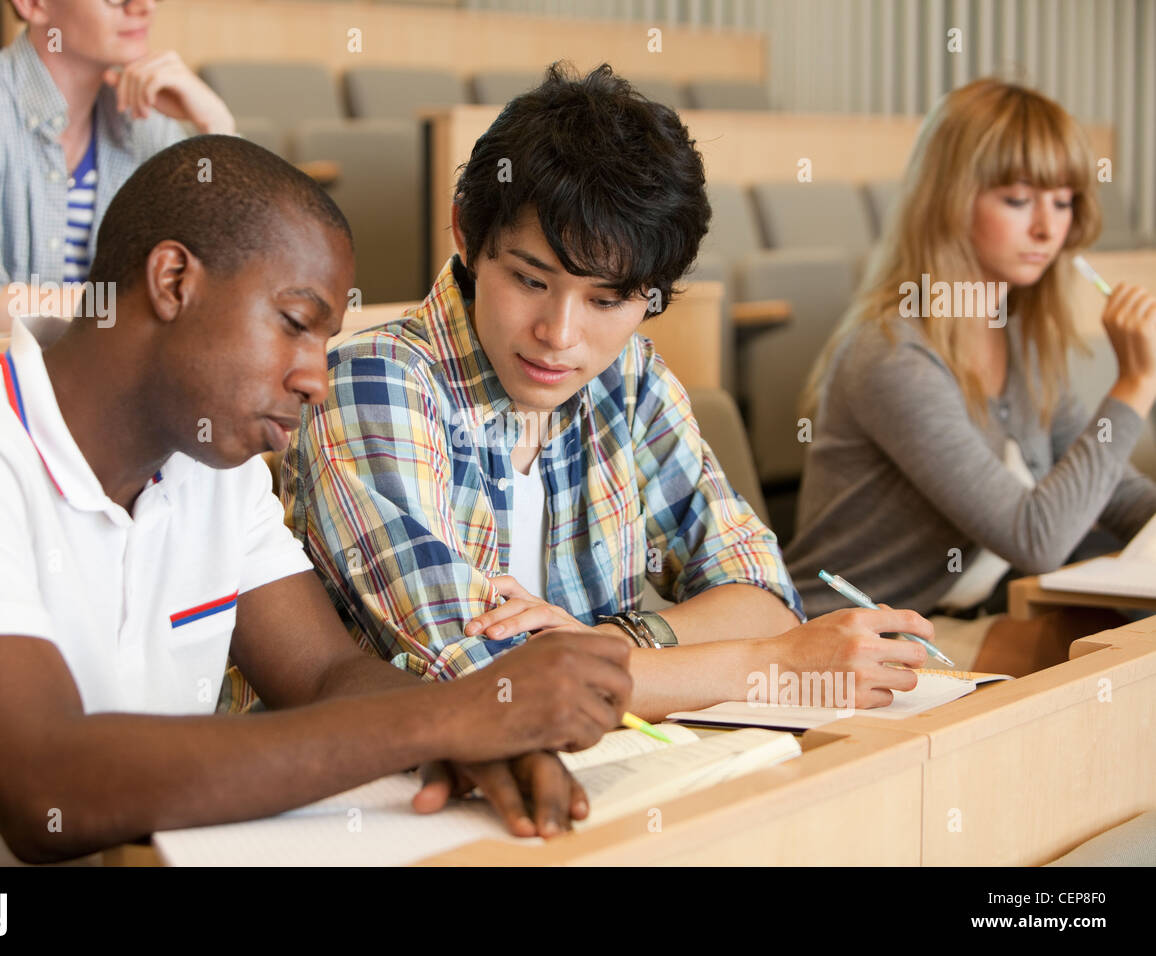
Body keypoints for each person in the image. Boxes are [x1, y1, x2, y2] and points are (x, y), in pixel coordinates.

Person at [0, 135, 634, 866]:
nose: (315, 377)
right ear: (172, 283)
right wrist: (451, 716)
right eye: (296, 324)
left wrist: (485, 735)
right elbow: (46, 785)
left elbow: (328, 673)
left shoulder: (216, 468)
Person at [284, 63, 931, 722]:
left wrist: (610, 644)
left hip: (597, 765)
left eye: (607, 299)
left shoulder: (629, 379)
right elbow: (490, 687)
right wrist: (768, 666)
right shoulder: (373, 383)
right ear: (466, 235)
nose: (559, 335)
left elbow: (762, 592)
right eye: (531, 280)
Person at [784, 77, 1156, 674]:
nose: (1048, 228)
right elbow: (1035, 537)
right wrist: (1135, 385)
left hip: (954, 620)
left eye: (1062, 202)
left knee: (1116, 638)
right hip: (857, 634)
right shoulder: (891, 354)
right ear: (950, 201)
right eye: (1018, 199)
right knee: (1096, 661)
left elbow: (1113, 491)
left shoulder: (1021, 337)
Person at [0, 0, 235, 338]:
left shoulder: (143, 122)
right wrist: (132, 307)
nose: (143, 6)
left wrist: (217, 126)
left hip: (94, 396)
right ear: (33, 4)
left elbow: (228, 278)